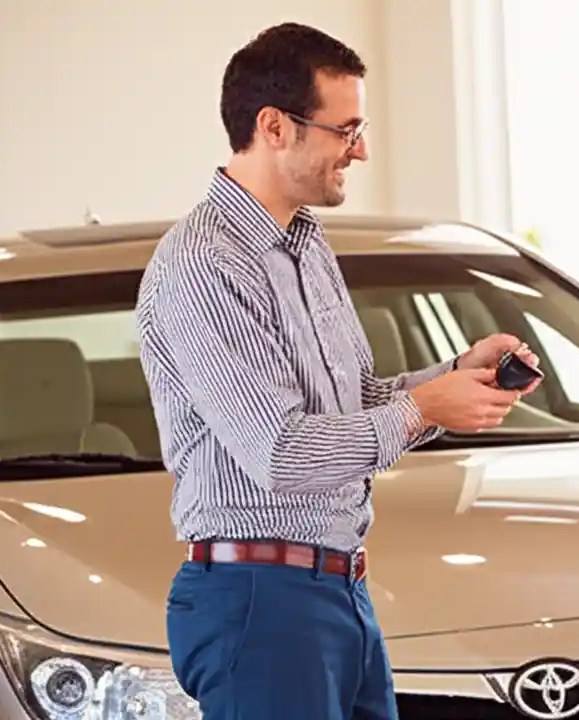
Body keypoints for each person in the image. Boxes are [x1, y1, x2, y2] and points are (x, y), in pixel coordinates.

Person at [135, 23, 539, 719]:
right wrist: (426, 409)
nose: (363, 149)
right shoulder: (203, 264)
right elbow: (281, 450)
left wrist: (450, 375)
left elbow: (350, 404)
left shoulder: (305, 243)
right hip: (260, 604)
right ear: (274, 127)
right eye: (345, 130)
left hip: (337, 591)